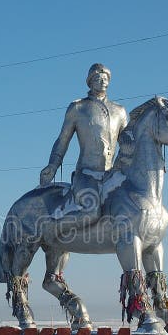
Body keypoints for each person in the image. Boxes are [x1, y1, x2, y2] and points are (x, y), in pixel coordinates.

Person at [39, 63, 129, 225]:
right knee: (91, 211)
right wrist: (52, 165)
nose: (102, 80)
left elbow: (128, 143)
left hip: (111, 175)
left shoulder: (119, 111)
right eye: (97, 77)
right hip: (87, 175)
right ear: (89, 81)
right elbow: (62, 140)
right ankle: (53, 229)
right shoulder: (78, 108)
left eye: (105, 78)